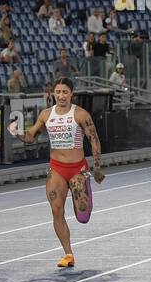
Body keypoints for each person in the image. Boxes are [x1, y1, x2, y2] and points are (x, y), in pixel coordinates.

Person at [14, 77, 105, 268]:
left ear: (71, 93)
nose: (61, 96)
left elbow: (94, 140)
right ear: (53, 93)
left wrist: (96, 166)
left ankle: (82, 190)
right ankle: (68, 254)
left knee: (83, 216)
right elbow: (31, 136)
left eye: (65, 92)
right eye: (58, 92)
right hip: (56, 168)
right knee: (56, 210)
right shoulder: (46, 115)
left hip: (77, 168)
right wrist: (18, 133)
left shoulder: (80, 114)